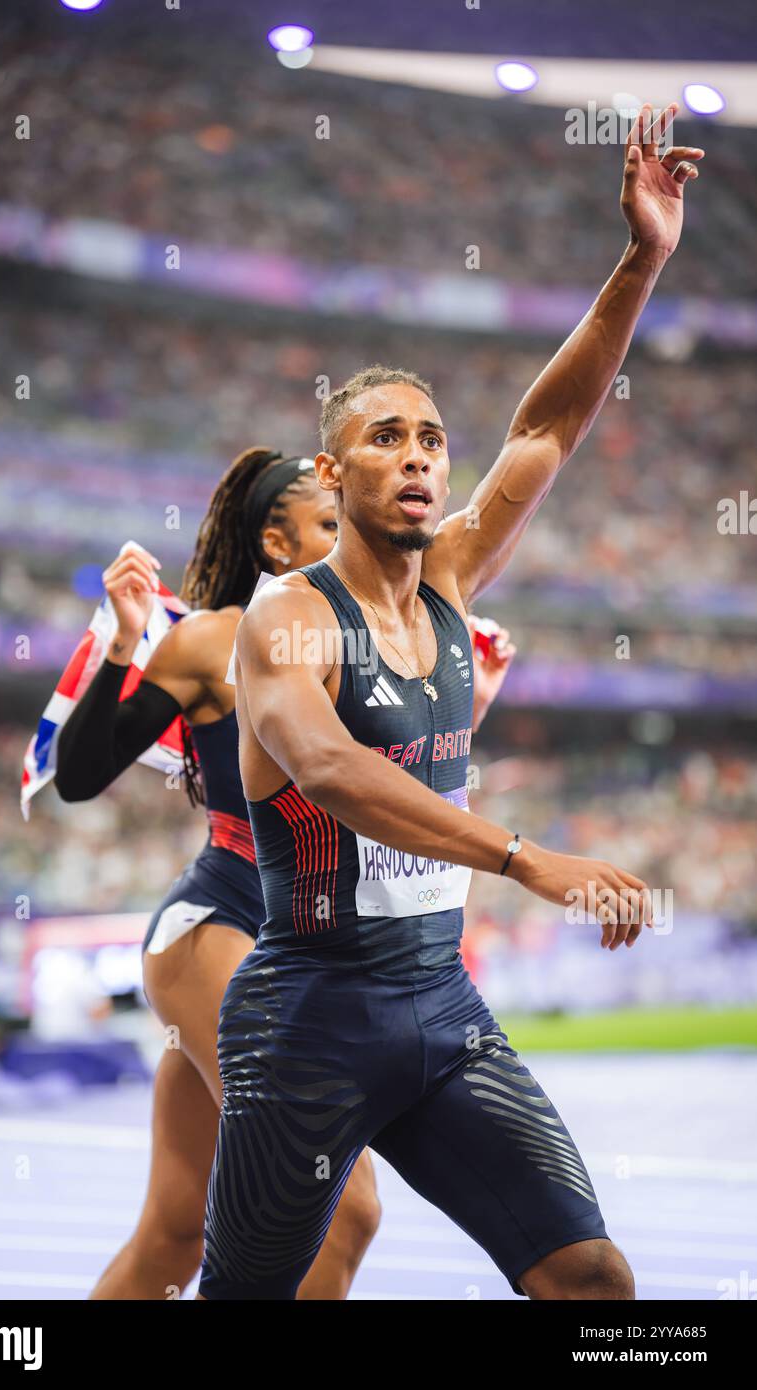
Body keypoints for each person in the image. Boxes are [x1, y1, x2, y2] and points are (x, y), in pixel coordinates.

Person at [197, 105, 703, 1301]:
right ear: (333, 471)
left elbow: (544, 427)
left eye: (431, 437)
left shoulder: (454, 579)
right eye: (387, 437)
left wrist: (641, 260)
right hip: (307, 1020)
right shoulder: (289, 618)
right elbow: (327, 771)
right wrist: (524, 858)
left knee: (593, 1281)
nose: (421, 456)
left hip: (442, 1009)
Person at [53, 443, 514, 1298]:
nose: (356, 539)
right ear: (276, 544)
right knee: (342, 1205)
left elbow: (382, 796)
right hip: (215, 933)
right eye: (332, 524)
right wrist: (124, 645)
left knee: (175, 1233)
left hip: (295, 950)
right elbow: (79, 778)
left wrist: (466, 710)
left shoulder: (365, 643)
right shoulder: (215, 640)